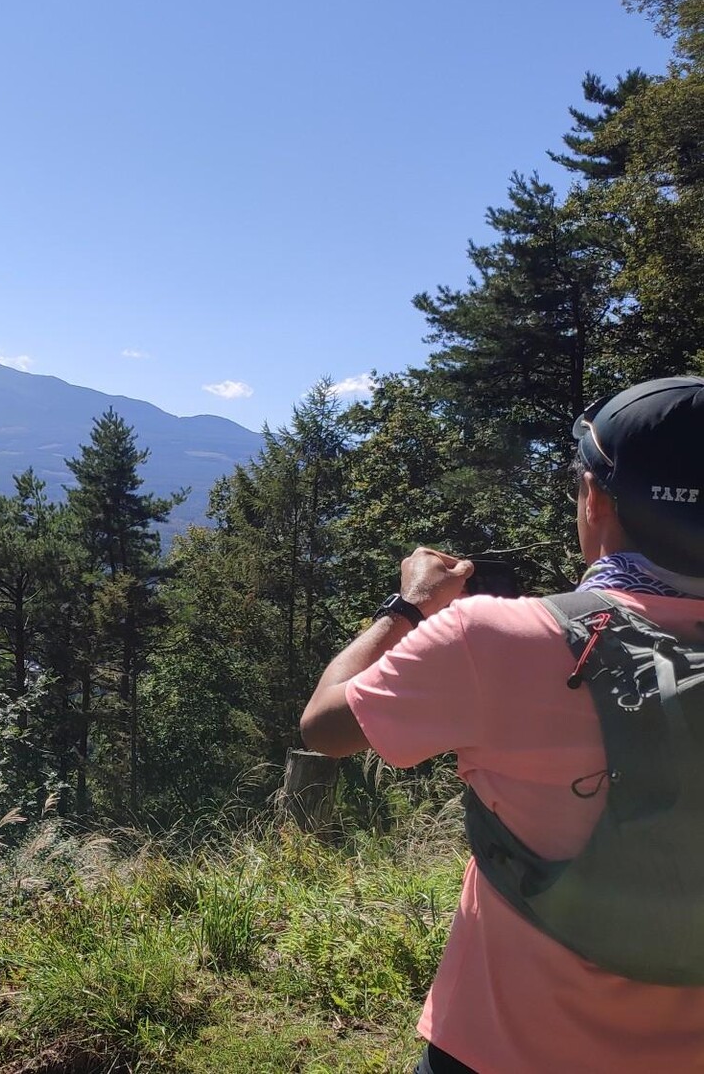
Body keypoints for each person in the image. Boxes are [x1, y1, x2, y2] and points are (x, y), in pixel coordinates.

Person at [299, 377, 704, 1074]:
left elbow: (325, 725)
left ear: (595, 499)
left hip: (497, 1049)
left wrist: (409, 605)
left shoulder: (493, 638)